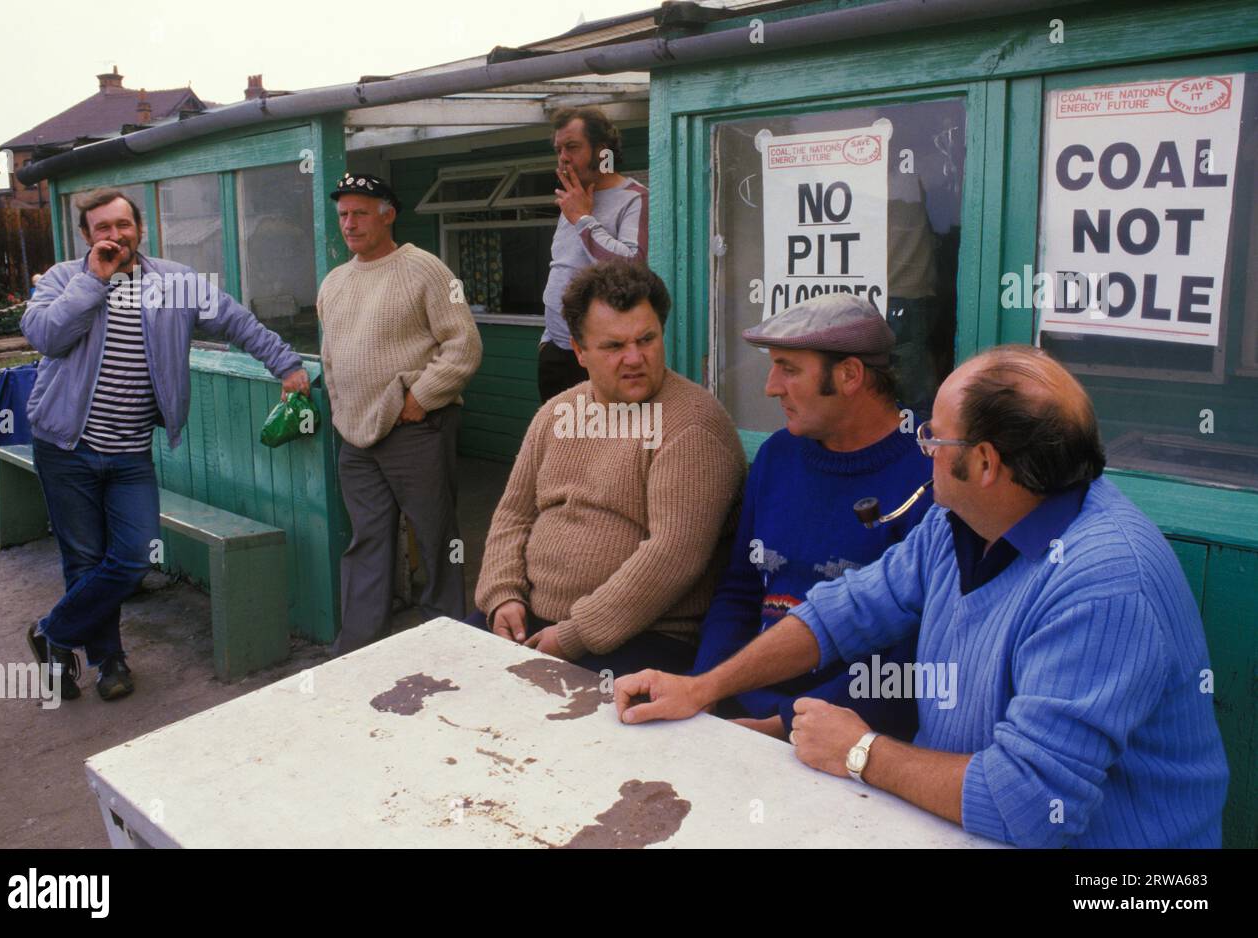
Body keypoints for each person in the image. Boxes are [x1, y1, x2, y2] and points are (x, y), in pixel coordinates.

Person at [614, 345, 1229, 848]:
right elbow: (845, 611)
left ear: (985, 462)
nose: (921, 447)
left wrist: (859, 750)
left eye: (934, 438)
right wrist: (702, 687)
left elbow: (1031, 805)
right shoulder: (958, 518)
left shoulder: (1106, 584)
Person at [22, 188, 310, 701]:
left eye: (123, 225)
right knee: (84, 560)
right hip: (65, 448)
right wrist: (94, 280)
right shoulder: (66, 280)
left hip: (130, 451)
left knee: (133, 558)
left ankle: (54, 633)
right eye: (102, 228)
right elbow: (45, 336)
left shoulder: (174, 283)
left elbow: (235, 320)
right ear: (87, 236)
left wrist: (284, 363)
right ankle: (110, 662)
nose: (115, 235)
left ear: (140, 229)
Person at [474, 260, 745, 674]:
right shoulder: (557, 413)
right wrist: (502, 594)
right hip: (531, 619)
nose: (634, 358)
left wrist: (574, 635)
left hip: (642, 638)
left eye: (646, 340)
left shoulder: (691, 425)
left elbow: (672, 555)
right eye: (614, 346)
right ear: (579, 352)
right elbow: (514, 513)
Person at [695, 294, 930, 741]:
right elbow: (740, 590)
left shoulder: (929, 473)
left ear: (849, 375)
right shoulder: (778, 456)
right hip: (738, 706)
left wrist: (781, 725)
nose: (770, 386)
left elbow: (913, 657)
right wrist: (704, 689)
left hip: (841, 734)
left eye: (789, 368)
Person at [320, 173, 482, 655]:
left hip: (416, 429)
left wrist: (422, 398)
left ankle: (447, 641)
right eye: (344, 214)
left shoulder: (428, 270)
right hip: (356, 438)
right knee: (367, 541)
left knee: (435, 538)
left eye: (361, 213)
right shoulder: (334, 282)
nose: (349, 224)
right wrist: (342, 410)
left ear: (388, 214)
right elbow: (330, 357)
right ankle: (360, 648)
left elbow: (465, 345)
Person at [538, 107, 648, 402]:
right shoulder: (573, 198)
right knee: (559, 446)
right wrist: (546, 340)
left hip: (602, 356)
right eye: (559, 149)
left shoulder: (634, 198)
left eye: (572, 147)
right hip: (557, 350)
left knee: (602, 445)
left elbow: (631, 268)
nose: (563, 157)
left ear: (602, 151)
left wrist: (584, 220)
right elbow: (562, 267)